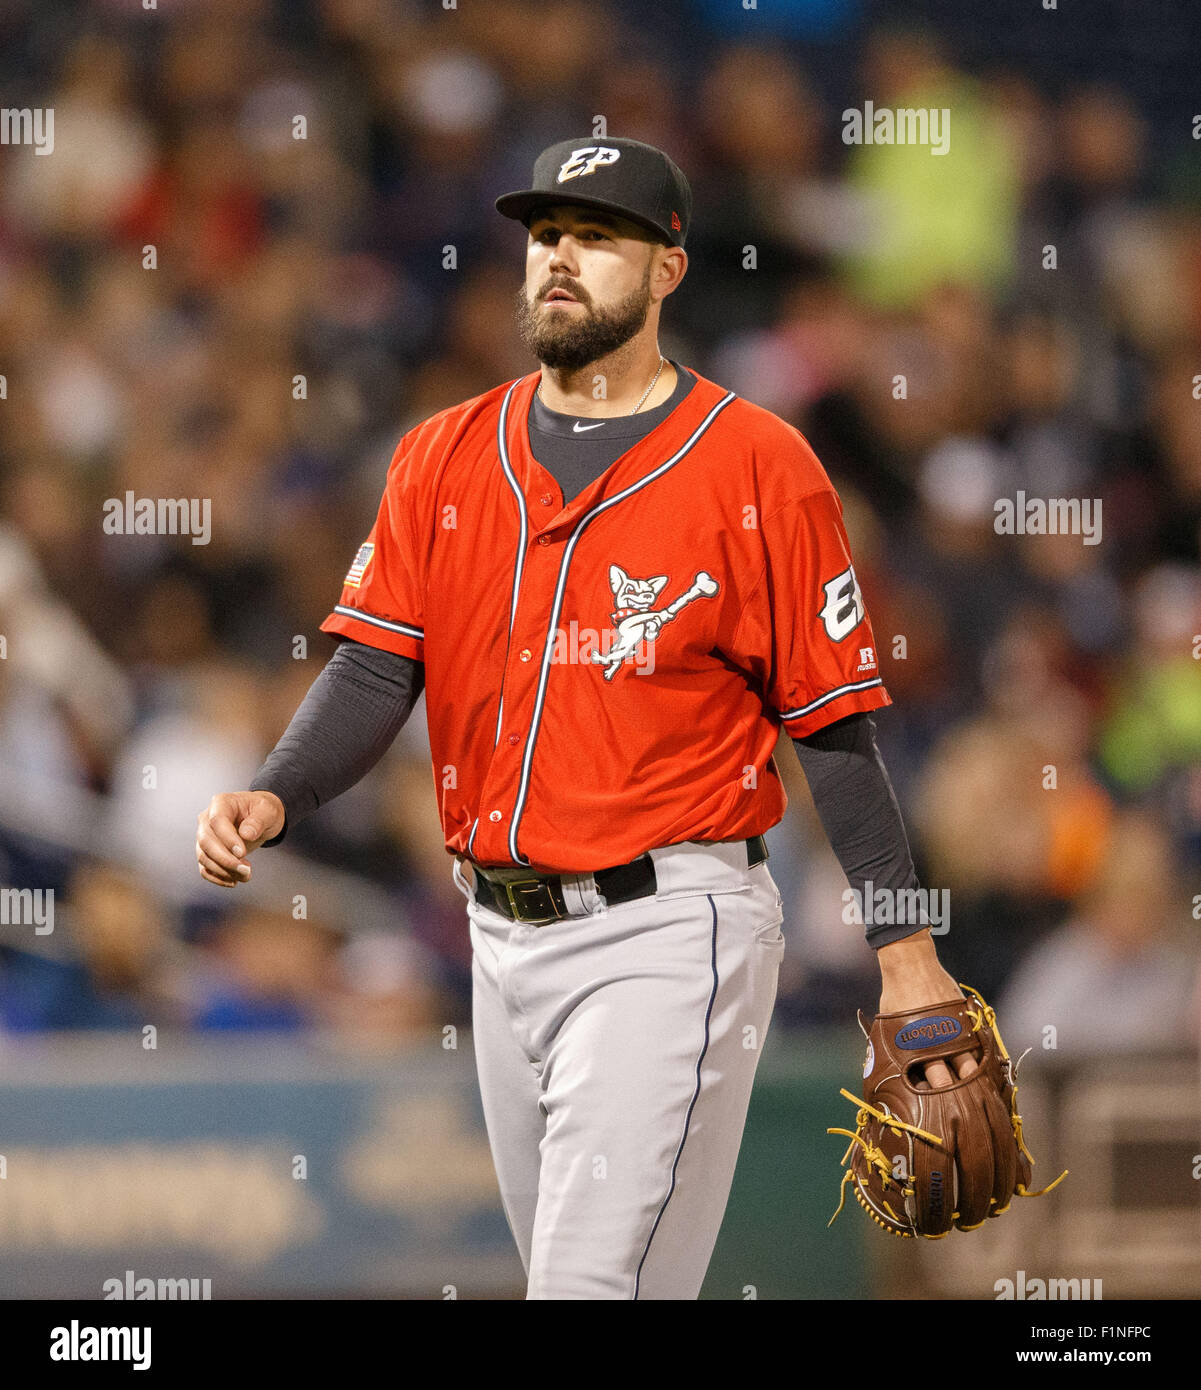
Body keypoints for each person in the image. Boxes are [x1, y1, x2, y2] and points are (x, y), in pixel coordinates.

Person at [195, 137, 976, 1299]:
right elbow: (371, 671)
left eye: (597, 235)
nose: (560, 258)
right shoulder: (440, 456)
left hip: (670, 928)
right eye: (545, 234)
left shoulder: (760, 465)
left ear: (667, 268)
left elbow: (834, 725)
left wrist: (906, 957)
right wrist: (278, 790)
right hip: (496, 939)